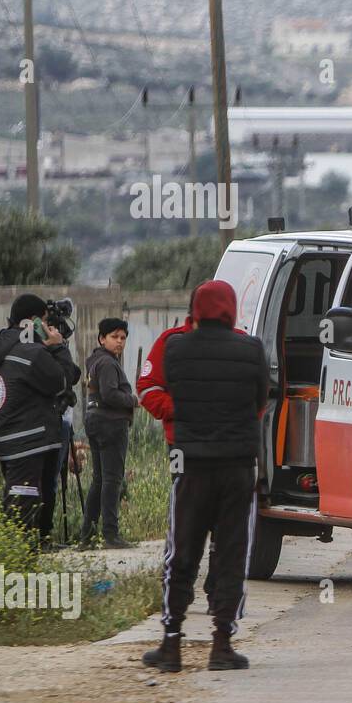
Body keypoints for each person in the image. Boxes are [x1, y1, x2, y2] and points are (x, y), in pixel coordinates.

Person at [143, 281, 268, 674]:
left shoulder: (176, 346)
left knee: (181, 553)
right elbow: (261, 401)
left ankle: (171, 644)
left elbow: (166, 390)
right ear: (231, 309)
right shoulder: (251, 349)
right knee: (231, 555)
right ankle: (222, 645)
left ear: (195, 309)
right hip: (237, 467)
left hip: (189, 464)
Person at [138, 291, 220, 612]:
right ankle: (177, 589)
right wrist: (182, 410)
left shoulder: (238, 341)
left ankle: (218, 591)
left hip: (225, 446)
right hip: (181, 444)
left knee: (223, 520)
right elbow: (147, 389)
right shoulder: (169, 343)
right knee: (184, 514)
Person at [0, 295, 80, 549]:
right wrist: (58, 347)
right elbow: (64, 380)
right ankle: (19, 552)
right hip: (31, 436)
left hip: (6, 439)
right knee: (24, 496)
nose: (47, 325)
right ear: (33, 321)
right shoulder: (30, 352)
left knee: (27, 492)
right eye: (44, 321)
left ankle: (34, 545)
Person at [80, 318, 137, 549]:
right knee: (112, 480)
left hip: (95, 421)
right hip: (111, 424)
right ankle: (110, 535)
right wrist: (132, 400)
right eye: (114, 337)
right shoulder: (107, 363)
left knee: (100, 479)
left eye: (123, 338)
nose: (120, 342)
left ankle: (88, 536)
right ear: (102, 338)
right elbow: (110, 394)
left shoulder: (95, 361)